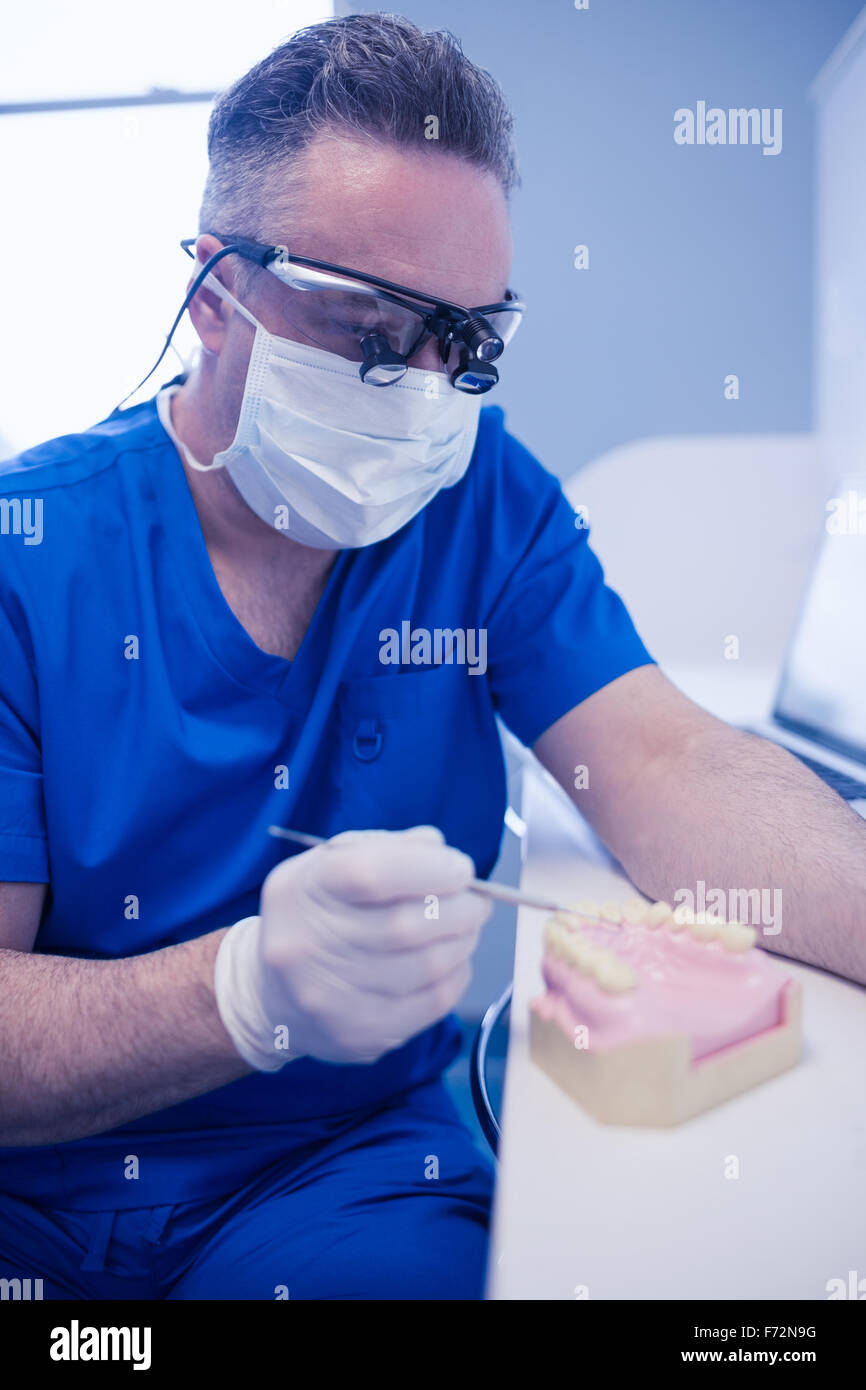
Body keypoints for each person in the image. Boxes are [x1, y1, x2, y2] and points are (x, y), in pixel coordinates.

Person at [0, 13, 863, 1303]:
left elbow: (668, 759)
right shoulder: (34, 555)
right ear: (216, 290)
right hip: (36, 1197)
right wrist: (242, 991)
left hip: (340, 1179)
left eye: (465, 342)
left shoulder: (483, 505)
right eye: (370, 329)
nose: (421, 391)